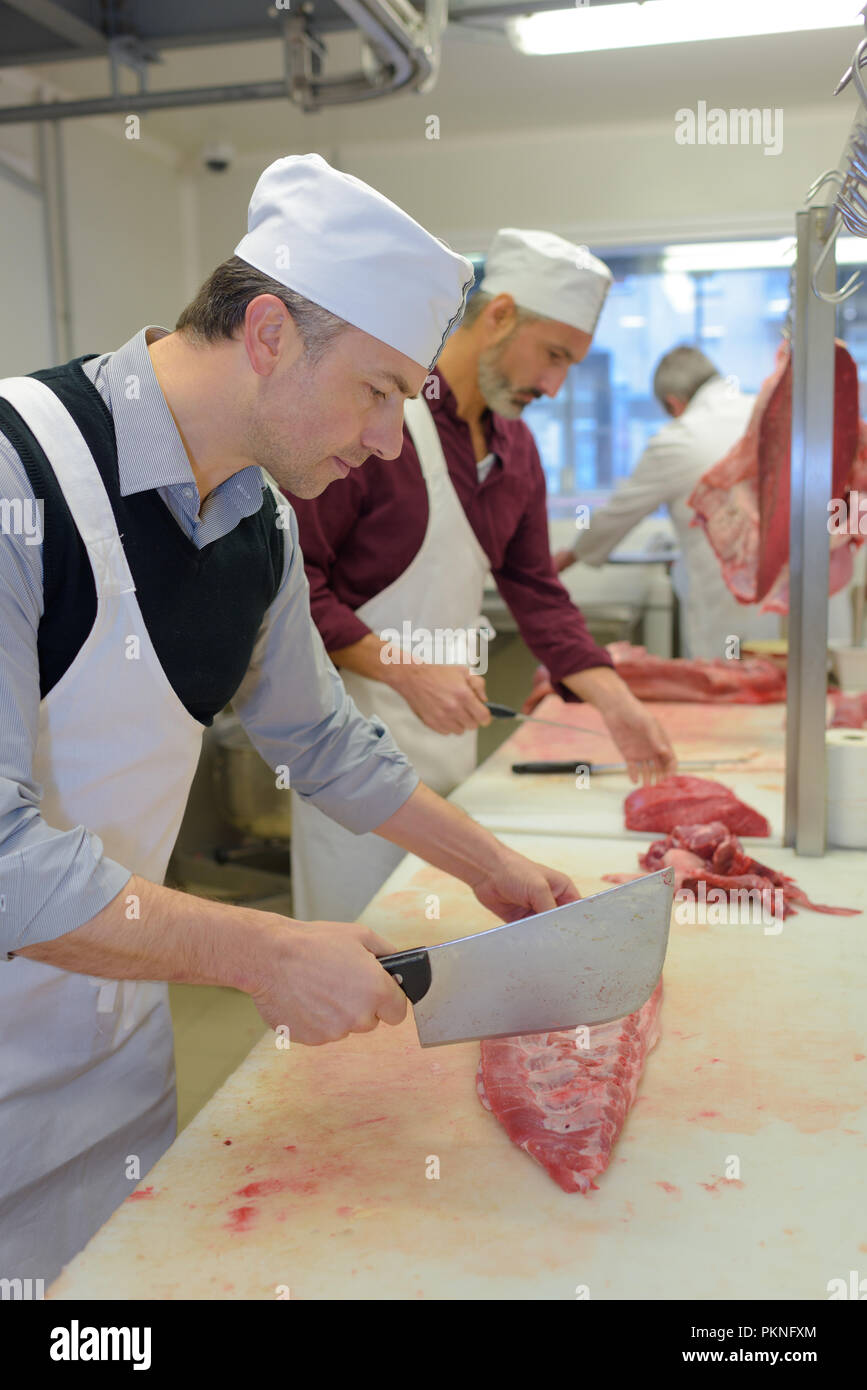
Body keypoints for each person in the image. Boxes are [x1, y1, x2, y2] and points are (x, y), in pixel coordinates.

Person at [0, 156, 581, 1284]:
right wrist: (267, 951)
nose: (384, 439)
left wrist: (495, 869)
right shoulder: (18, 476)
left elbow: (319, 741)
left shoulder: (256, 515)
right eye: (374, 391)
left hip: (112, 1048)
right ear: (267, 332)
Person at [289, 228, 677, 921]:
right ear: (497, 315)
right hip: (348, 757)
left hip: (451, 750)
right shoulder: (378, 421)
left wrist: (617, 705)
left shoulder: (515, 448)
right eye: (552, 355)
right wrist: (407, 673)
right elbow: (293, 590)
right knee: (362, 966)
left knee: (443, 955)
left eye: (570, 366)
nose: (553, 387)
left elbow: (535, 589)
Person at [552, 345, 779, 659]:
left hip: (727, 605)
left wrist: (568, 557)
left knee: (727, 689)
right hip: (793, 603)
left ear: (674, 403)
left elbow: (620, 513)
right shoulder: (766, 410)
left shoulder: (680, 438)